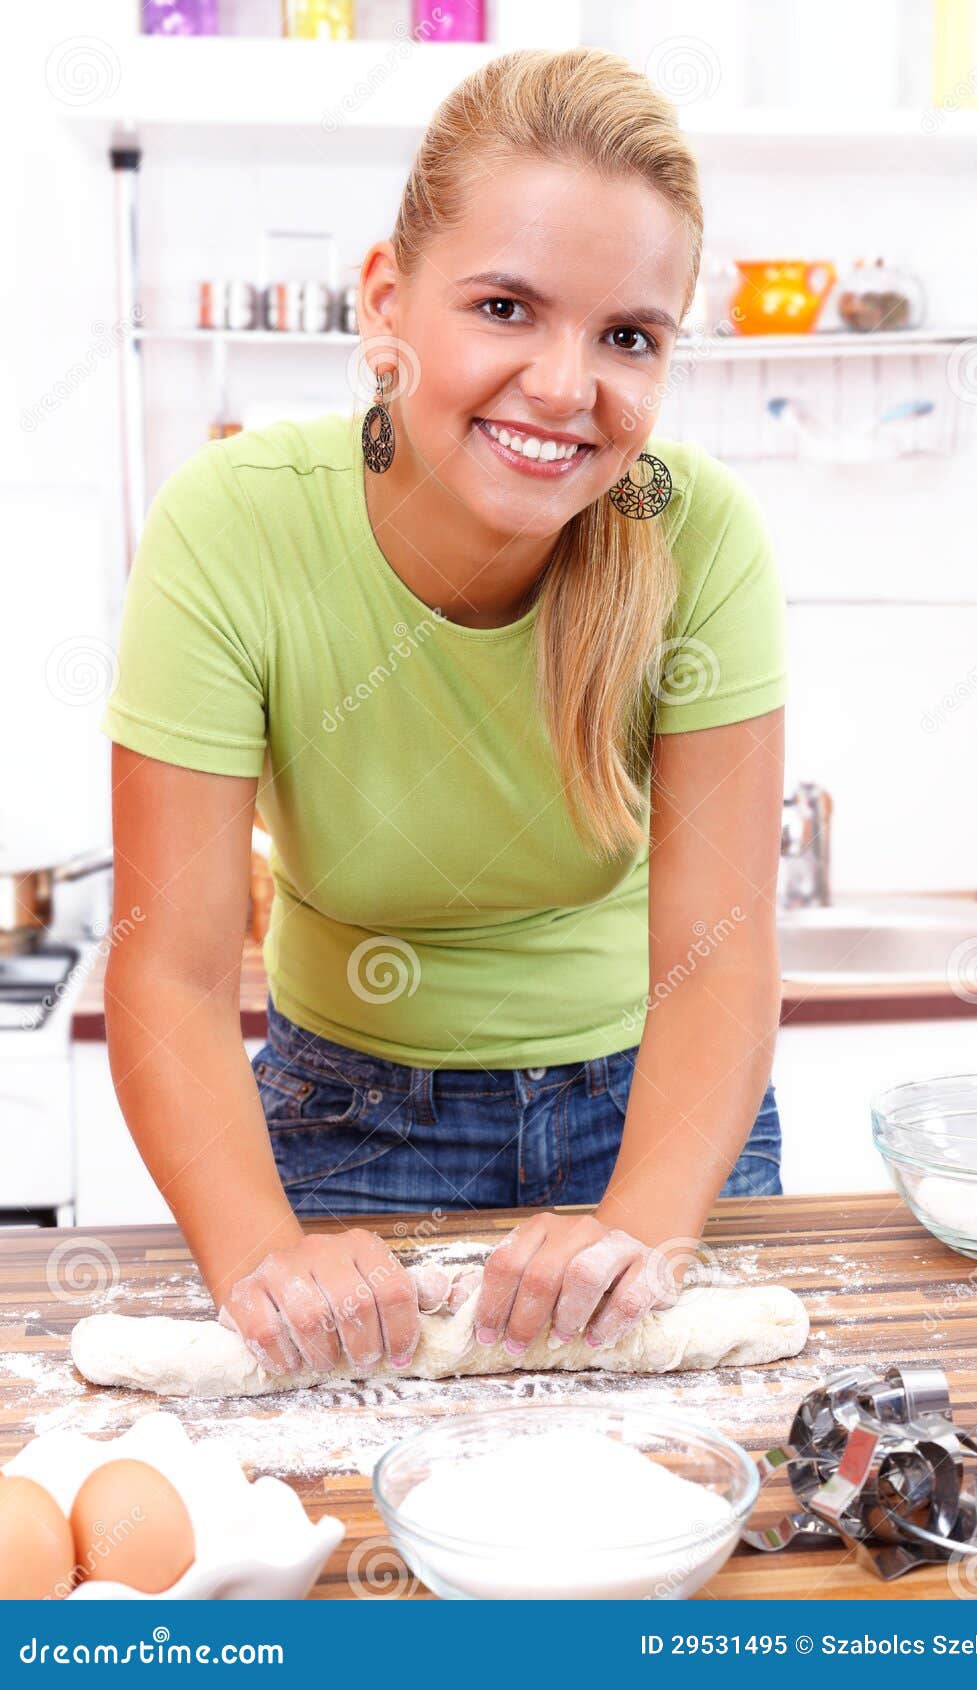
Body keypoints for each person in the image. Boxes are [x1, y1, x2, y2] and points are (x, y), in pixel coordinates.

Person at [102, 48, 787, 1384]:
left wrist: (639, 1226)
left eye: (627, 336)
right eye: (506, 307)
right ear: (386, 302)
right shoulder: (234, 525)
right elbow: (170, 970)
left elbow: (720, 954)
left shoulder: (698, 538)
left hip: (648, 1115)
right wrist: (259, 1251)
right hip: (346, 1124)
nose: (563, 385)